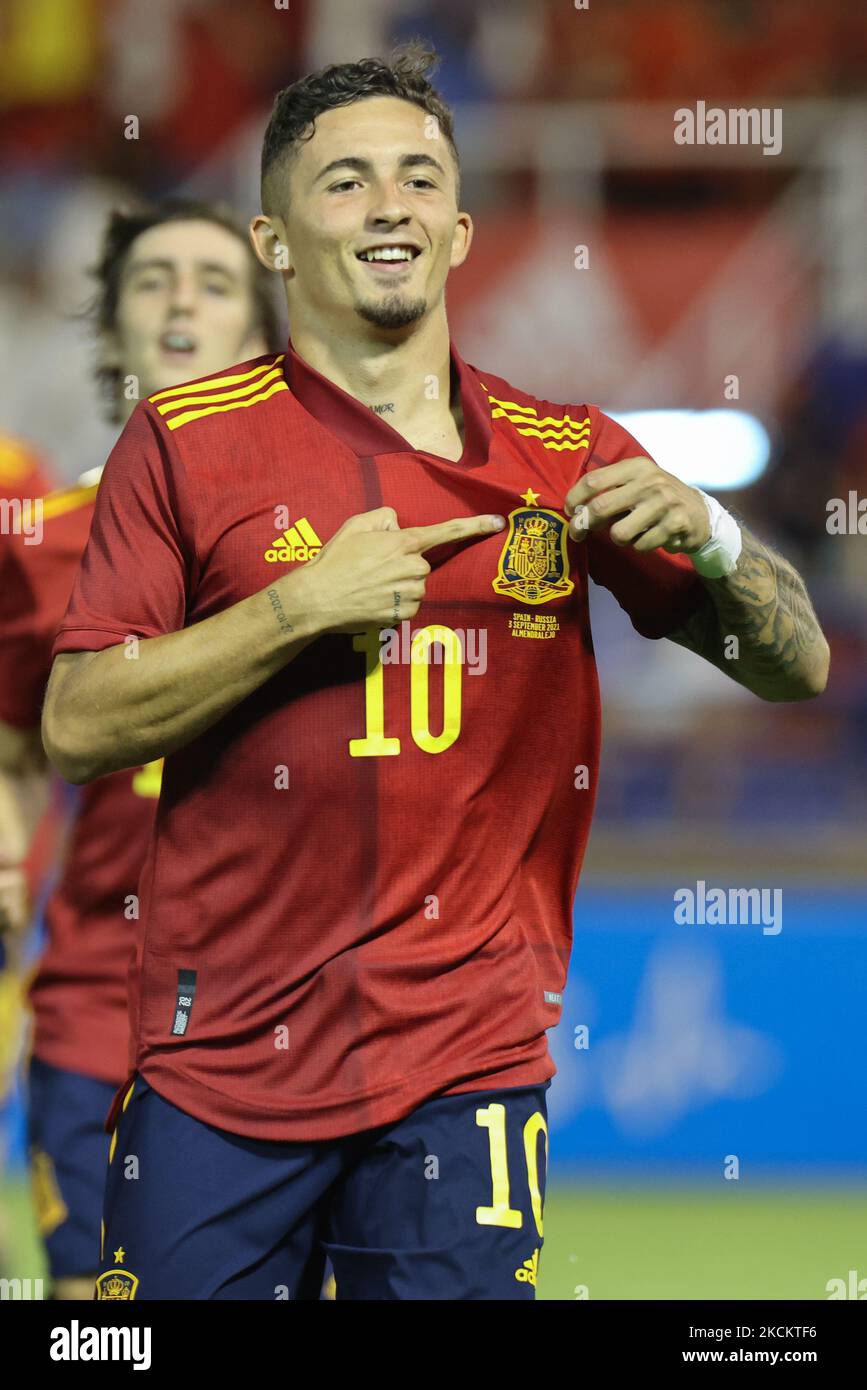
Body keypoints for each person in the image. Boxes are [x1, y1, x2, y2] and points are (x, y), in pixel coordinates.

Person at [42, 44, 829, 1302]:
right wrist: (298, 608)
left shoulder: (569, 457)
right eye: (345, 182)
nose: (389, 204)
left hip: (467, 1065)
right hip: (218, 1072)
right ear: (276, 240)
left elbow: (795, 669)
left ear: (461, 230)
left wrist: (721, 543)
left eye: (417, 178)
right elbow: (79, 721)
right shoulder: (182, 447)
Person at [0, 198, 279, 1299]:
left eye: (214, 282)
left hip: (280, 1009)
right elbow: (16, 746)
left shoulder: (333, 534)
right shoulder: (40, 543)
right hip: (95, 1014)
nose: (179, 300)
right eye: (151, 279)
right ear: (110, 328)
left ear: (263, 333)